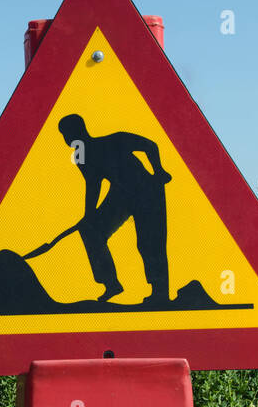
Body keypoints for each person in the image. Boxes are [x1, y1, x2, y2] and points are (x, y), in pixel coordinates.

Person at [57, 114, 172, 303]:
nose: (66, 139)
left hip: (146, 189)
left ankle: (160, 293)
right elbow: (93, 185)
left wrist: (158, 171)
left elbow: (150, 145)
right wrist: (89, 216)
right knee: (91, 231)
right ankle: (111, 283)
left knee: (149, 242)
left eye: (67, 133)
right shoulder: (81, 156)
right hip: (121, 194)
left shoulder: (115, 140)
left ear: (78, 131)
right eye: (64, 135)